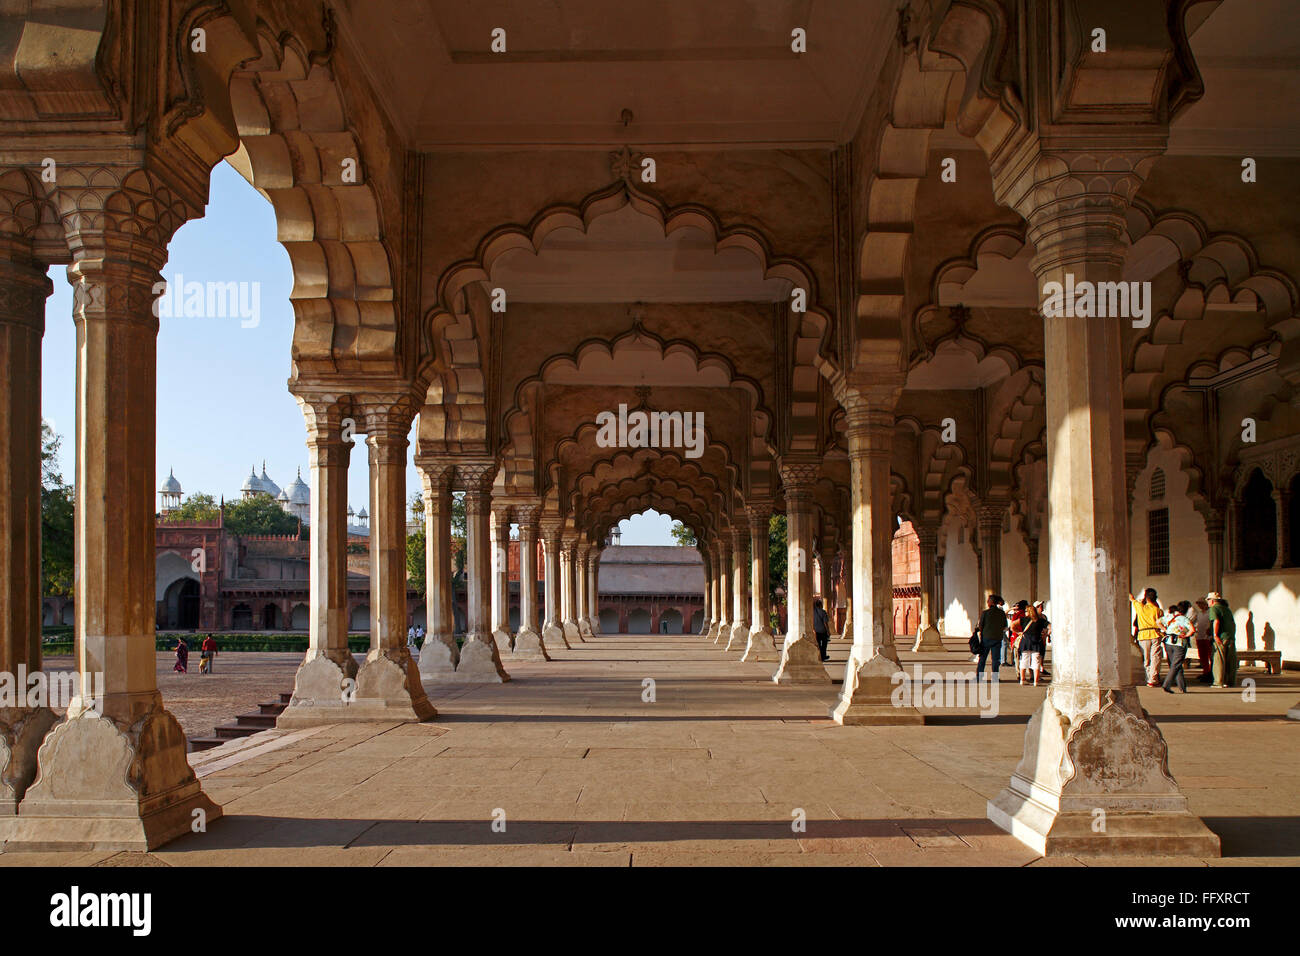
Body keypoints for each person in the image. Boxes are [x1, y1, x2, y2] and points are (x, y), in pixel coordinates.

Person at [1129, 588, 1164, 686]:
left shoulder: (1140, 607)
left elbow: (1131, 598)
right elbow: (1161, 622)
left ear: (1146, 598)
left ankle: (1149, 677)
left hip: (1143, 635)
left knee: (1147, 659)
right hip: (1155, 633)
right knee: (1155, 657)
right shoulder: (1158, 610)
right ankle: (1153, 679)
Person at [1161, 601, 1195, 694]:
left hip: (1168, 642)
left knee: (1175, 664)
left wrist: (1166, 630)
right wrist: (1186, 635)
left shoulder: (1170, 616)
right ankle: (1167, 684)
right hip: (1179, 643)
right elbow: (1192, 630)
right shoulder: (1185, 619)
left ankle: (1182, 686)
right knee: (1176, 665)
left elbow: (1157, 622)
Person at [1206, 591, 1238, 688]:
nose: (1207, 602)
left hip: (1221, 637)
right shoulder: (1227, 609)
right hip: (1230, 636)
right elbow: (1233, 623)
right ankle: (1230, 681)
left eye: (1208, 600)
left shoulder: (1214, 609)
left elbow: (1216, 621)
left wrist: (1215, 634)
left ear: (1212, 601)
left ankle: (1218, 682)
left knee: (1219, 659)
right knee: (1230, 661)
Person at [975, 594, 1007, 681]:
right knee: (995, 659)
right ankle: (995, 677)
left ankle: (979, 677)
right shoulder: (1001, 613)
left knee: (982, 658)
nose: (987, 602)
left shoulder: (985, 613)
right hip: (997, 638)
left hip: (986, 638)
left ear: (991, 602)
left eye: (988, 600)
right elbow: (1005, 625)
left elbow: (980, 625)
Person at [1018, 604, 1048, 686]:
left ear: (1028, 612)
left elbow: (1012, 625)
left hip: (1025, 642)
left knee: (1024, 661)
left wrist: (1019, 632)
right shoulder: (1041, 620)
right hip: (1037, 642)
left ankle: (1022, 679)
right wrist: (1046, 634)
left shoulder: (1023, 619)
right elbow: (1050, 626)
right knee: (1036, 662)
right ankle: (1036, 681)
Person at [1191, 598, 1214, 684]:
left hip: (1207, 637)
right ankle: (1205, 671)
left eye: (1201, 604)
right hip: (1200, 636)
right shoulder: (1199, 614)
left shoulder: (1210, 612)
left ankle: (1210, 673)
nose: (1200, 606)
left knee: (1209, 656)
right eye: (1198, 604)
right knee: (1202, 656)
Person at [1007, 600, 1028, 666]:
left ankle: (1015, 664)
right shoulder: (1022, 614)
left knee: (1015, 650)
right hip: (1019, 634)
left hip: (1015, 634)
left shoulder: (1016, 614)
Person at [813, 597, 831, 662]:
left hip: (815, 631)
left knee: (818, 645)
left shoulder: (813, 612)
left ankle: (819, 656)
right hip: (823, 631)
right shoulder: (823, 612)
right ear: (821, 605)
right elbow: (825, 623)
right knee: (824, 645)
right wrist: (828, 631)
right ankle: (823, 656)